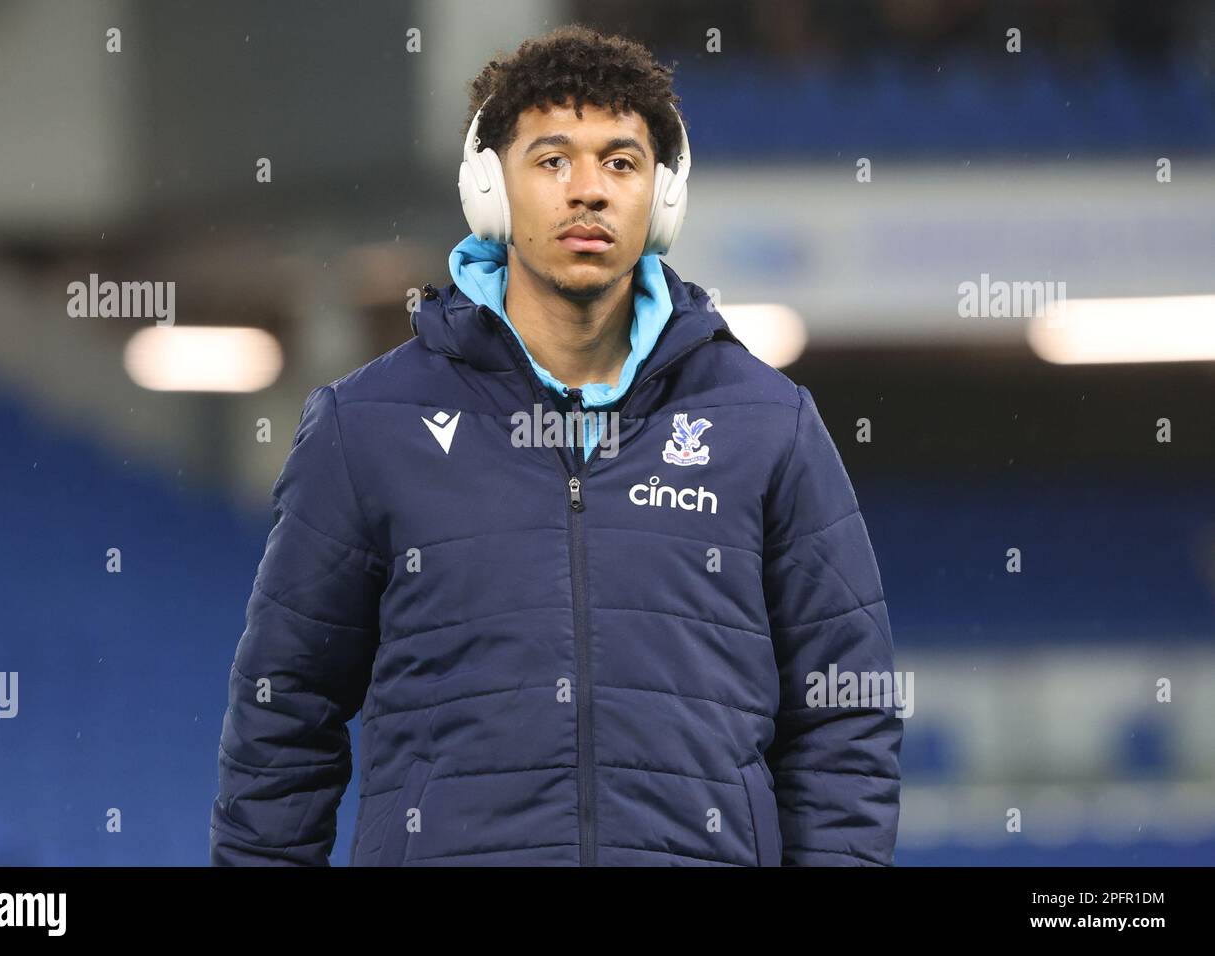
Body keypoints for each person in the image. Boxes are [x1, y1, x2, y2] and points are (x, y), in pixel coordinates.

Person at [210, 24, 901, 867]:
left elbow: (847, 716)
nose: (590, 191)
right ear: (489, 190)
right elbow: (285, 712)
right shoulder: (366, 427)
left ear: (662, 198)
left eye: (620, 162)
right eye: (552, 160)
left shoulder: (769, 424)